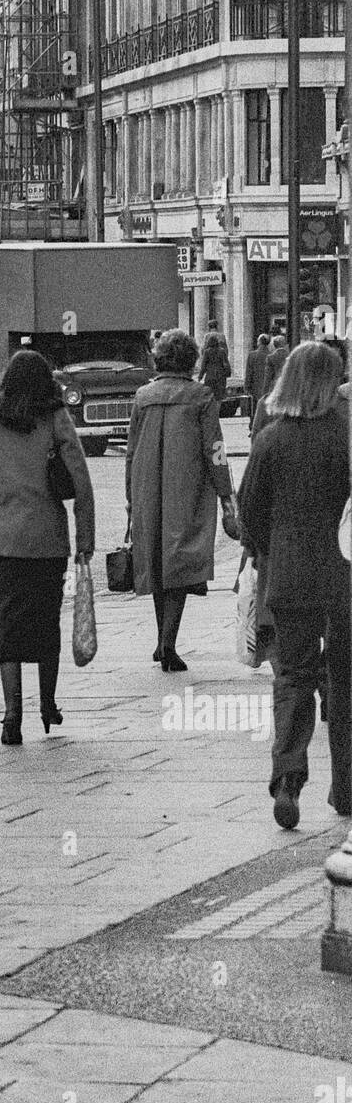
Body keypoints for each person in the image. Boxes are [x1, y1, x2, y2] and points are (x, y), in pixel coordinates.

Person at [0, 350, 95, 745]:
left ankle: (12, 716)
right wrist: (86, 539)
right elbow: (80, 477)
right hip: (48, 543)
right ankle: (48, 705)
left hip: (4, 542)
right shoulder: (55, 417)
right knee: (46, 626)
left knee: (5, 631)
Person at [238, 342, 351, 830]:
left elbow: (250, 510)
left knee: (293, 677)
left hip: (287, 572)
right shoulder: (345, 437)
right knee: (346, 680)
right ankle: (346, 786)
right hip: (344, 573)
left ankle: (287, 778)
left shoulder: (271, 439)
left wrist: (269, 549)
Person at [126, 329, 235, 672]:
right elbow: (215, 451)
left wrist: (131, 497)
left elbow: (130, 451)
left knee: (158, 563)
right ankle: (167, 643)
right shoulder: (201, 397)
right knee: (180, 563)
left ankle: (163, 638)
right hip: (186, 489)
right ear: (191, 360)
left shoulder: (143, 396)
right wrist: (226, 495)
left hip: (147, 488)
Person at [198, 329, 231, 403]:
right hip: (220, 377)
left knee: (209, 397)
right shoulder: (222, 351)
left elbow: (203, 366)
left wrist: (200, 376)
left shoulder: (207, 352)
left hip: (210, 377)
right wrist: (227, 373)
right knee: (219, 397)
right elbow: (225, 363)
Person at [244, 333, 272, 411]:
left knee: (255, 410)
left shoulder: (252, 355)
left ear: (259, 342)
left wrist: (246, 387)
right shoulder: (272, 355)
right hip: (269, 388)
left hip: (255, 388)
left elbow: (249, 372)